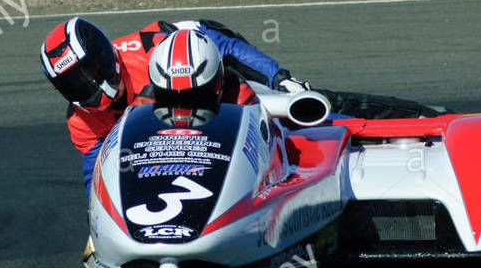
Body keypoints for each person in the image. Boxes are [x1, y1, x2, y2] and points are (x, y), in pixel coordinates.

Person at [40, 18, 309, 187]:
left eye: (91, 71)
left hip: (210, 57)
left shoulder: (149, 51)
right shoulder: (81, 121)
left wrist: (279, 78)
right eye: (74, 83)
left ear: (104, 55)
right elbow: (95, 175)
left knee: (291, 101)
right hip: (168, 128)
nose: (90, 86)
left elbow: (224, 48)